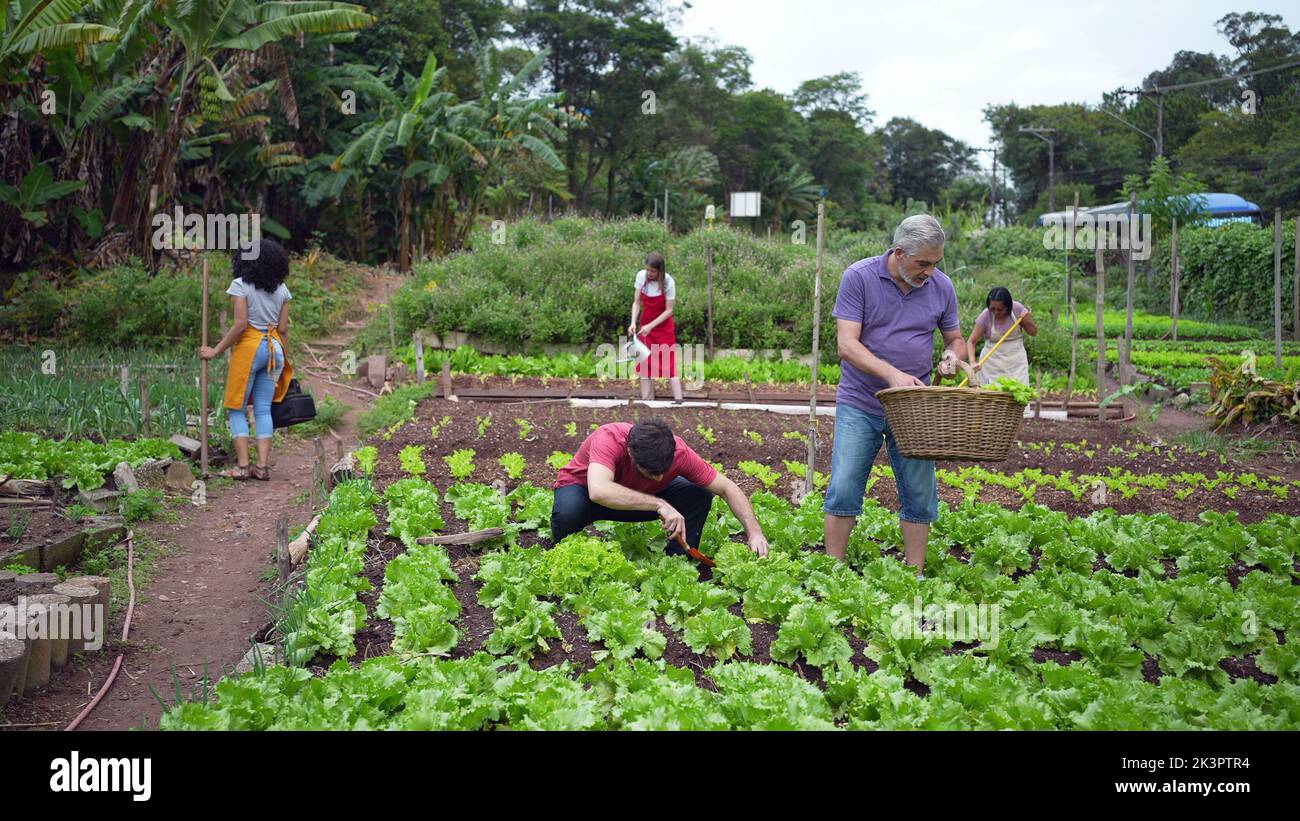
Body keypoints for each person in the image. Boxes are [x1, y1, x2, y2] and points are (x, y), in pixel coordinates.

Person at [823, 214, 967, 577]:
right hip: (861, 401)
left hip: (913, 409)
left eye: (936, 264)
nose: (930, 272)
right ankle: (834, 571)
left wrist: (952, 356)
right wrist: (893, 374)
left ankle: (914, 575)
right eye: (923, 264)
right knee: (843, 486)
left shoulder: (942, 286)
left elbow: (956, 339)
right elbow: (846, 344)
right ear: (899, 253)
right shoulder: (859, 277)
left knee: (920, 491)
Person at [551, 419, 769, 559]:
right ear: (631, 453)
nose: (659, 478)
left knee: (699, 494)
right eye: (652, 472)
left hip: (636, 500)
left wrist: (755, 533)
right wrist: (660, 504)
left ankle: (678, 560)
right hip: (585, 494)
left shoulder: (680, 453)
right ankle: (565, 553)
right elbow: (598, 490)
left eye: (663, 471)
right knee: (568, 510)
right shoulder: (609, 438)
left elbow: (727, 488)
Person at [199, 239, 294, 480]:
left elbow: (241, 325)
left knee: (235, 407)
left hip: (250, 349)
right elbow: (282, 329)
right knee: (263, 409)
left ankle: (242, 467)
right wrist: (285, 360)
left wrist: (215, 350)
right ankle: (262, 467)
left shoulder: (241, 285)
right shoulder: (282, 289)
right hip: (275, 350)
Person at [628, 252, 684, 401]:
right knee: (645, 365)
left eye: (653, 271)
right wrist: (633, 322)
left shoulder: (668, 283)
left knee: (669, 365)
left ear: (660, 271)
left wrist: (651, 326)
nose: (649, 273)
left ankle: (679, 402)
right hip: (645, 328)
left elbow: (669, 310)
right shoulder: (641, 277)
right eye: (647, 269)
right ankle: (647, 402)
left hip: (663, 329)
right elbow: (637, 302)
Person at [967, 287, 1037, 384]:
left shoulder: (1017, 309)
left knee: (1017, 392)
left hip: (1016, 362)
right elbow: (971, 342)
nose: (995, 312)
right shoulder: (986, 316)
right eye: (992, 308)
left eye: (1000, 310)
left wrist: (1028, 319)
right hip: (991, 363)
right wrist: (972, 362)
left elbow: (1033, 333)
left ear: (1008, 307)